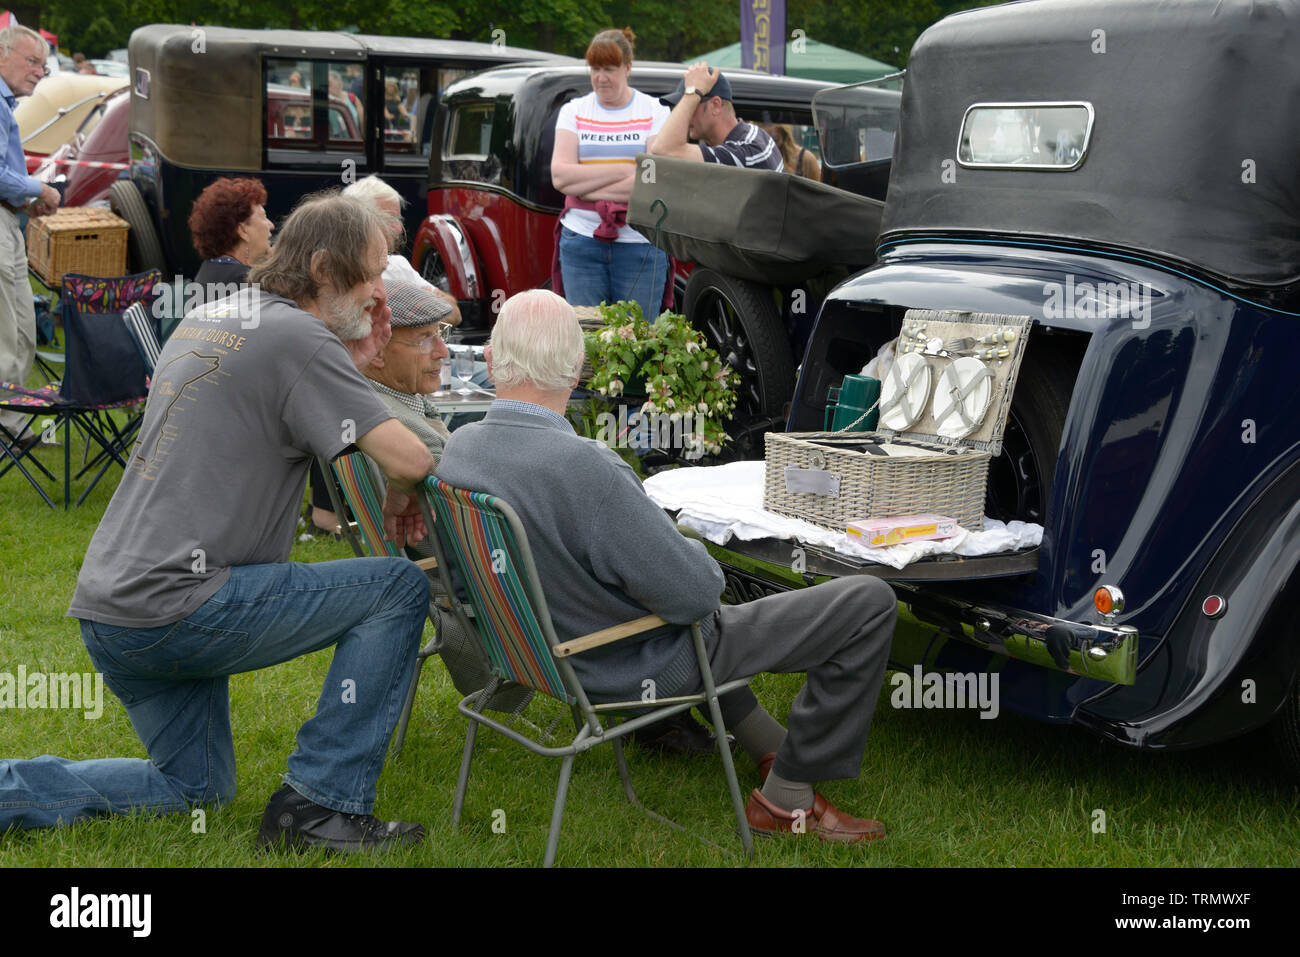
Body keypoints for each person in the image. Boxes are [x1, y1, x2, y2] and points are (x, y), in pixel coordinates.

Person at [0, 192, 436, 853]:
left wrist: (355, 361)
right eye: (373, 271)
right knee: (396, 589)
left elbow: (280, 388)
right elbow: (412, 456)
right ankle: (319, 807)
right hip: (184, 605)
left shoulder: (219, 315)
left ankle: (9, 788)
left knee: (193, 788)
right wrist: (403, 495)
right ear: (323, 268)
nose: (382, 292)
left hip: (116, 611)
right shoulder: (300, 337)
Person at [436, 290, 898, 842]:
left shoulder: (460, 449)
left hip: (536, 655)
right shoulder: (589, 469)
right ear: (579, 368)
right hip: (627, 665)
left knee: (671, 599)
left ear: (490, 360)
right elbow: (697, 595)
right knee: (869, 602)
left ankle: (770, 748)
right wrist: (686, 548)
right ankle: (786, 796)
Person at [550, 28, 670, 317]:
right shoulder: (573, 111)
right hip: (581, 242)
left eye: (609, 69)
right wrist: (626, 168)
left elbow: (653, 181)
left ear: (628, 68)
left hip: (640, 243)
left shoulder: (655, 111)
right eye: (595, 68)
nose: (600, 77)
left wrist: (584, 188)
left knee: (638, 341)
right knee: (587, 341)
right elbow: (560, 177)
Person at [0, 25, 61, 446]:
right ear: (2, 55)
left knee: (19, 323)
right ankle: (8, 423)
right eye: (31, 60)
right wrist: (38, 189)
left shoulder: (5, 104)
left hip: (8, 219)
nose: (40, 71)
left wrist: (24, 199)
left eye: (43, 63)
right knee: (13, 327)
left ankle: (11, 419)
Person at [648, 61, 782, 171]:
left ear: (715, 105)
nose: (684, 114)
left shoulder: (746, 150)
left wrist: (692, 92)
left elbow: (662, 149)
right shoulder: (750, 136)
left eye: (691, 105)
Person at [187, 177, 274, 294]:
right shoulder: (248, 284)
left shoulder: (207, 272)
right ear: (243, 231)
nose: (271, 225)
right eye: (263, 217)